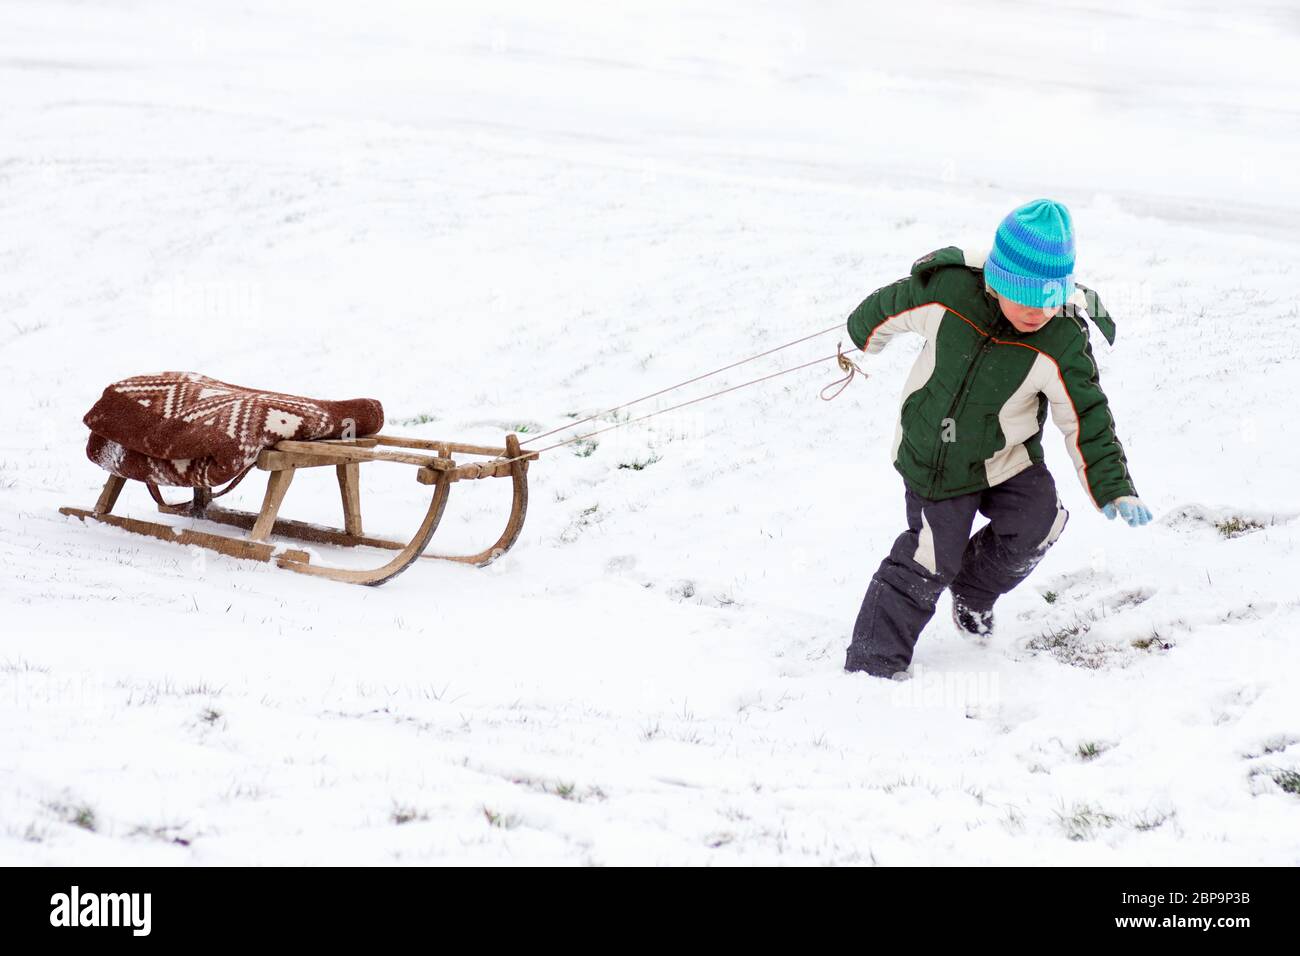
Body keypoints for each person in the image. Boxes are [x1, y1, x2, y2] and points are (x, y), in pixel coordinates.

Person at [843, 199, 1150, 679]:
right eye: (1026, 297)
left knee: (1039, 521)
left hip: (1006, 458)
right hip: (936, 459)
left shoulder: (1061, 338)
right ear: (997, 281)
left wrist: (1113, 486)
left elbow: (1085, 414)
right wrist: (863, 334)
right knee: (929, 558)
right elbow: (893, 303)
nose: (1038, 311)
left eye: (1051, 298)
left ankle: (975, 588)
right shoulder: (948, 295)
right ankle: (873, 663)